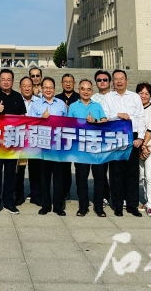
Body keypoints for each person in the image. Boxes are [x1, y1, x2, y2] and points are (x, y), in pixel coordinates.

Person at [100, 69, 145, 217]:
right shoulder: (108, 97)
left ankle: (132, 205)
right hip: (115, 136)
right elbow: (105, 115)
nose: (119, 81)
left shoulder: (134, 97)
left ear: (127, 81)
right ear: (113, 81)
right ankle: (117, 204)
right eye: (116, 79)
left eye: (121, 78)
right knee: (116, 172)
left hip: (133, 136)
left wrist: (140, 138)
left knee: (132, 172)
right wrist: (118, 115)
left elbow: (141, 117)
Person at [0, 69, 26, 216]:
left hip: (12, 141)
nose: (6, 81)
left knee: (10, 173)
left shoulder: (17, 97)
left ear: (12, 81)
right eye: (3, 79)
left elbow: (23, 116)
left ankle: (9, 202)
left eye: (9, 79)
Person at [27, 77, 68, 216]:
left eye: (50, 87)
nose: (48, 90)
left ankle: (58, 205)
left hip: (57, 146)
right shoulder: (36, 104)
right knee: (43, 178)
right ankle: (45, 205)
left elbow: (67, 124)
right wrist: (41, 119)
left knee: (58, 178)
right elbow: (30, 124)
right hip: (42, 146)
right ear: (41, 89)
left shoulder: (61, 104)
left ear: (54, 89)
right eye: (45, 88)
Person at [67, 78, 108, 217]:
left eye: (88, 89)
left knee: (99, 178)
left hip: (97, 148)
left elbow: (105, 121)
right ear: (79, 90)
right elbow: (67, 125)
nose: (86, 92)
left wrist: (95, 121)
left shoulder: (97, 105)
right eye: (83, 89)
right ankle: (83, 206)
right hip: (80, 148)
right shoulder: (73, 106)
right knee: (81, 178)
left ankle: (98, 207)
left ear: (92, 91)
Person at [15, 76, 39, 206]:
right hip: (20, 139)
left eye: (29, 85)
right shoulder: (16, 100)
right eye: (24, 86)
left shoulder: (39, 101)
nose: (27, 88)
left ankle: (36, 195)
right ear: (20, 88)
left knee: (35, 169)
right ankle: (18, 195)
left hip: (35, 139)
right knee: (20, 169)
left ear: (33, 87)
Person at [136, 82, 151, 217]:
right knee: (143, 175)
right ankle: (146, 200)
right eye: (141, 93)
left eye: (147, 94)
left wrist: (144, 145)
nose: (144, 96)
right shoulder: (136, 107)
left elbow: (150, 129)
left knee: (150, 175)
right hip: (139, 146)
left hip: (150, 146)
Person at [90, 69, 112, 207]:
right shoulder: (93, 99)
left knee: (116, 170)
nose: (102, 82)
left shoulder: (116, 96)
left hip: (115, 137)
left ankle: (118, 197)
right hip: (98, 139)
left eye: (105, 80)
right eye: (99, 80)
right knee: (100, 171)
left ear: (110, 82)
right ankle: (103, 196)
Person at [56, 73, 80, 199]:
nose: (68, 83)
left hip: (77, 136)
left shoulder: (80, 98)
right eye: (65, 81)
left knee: (79, 166)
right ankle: (65, 191)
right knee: (64, 166)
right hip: (62, 137)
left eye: (70, 81)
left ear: (74, 83)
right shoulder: (57, 99)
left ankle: (81, 192)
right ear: (62, 83)